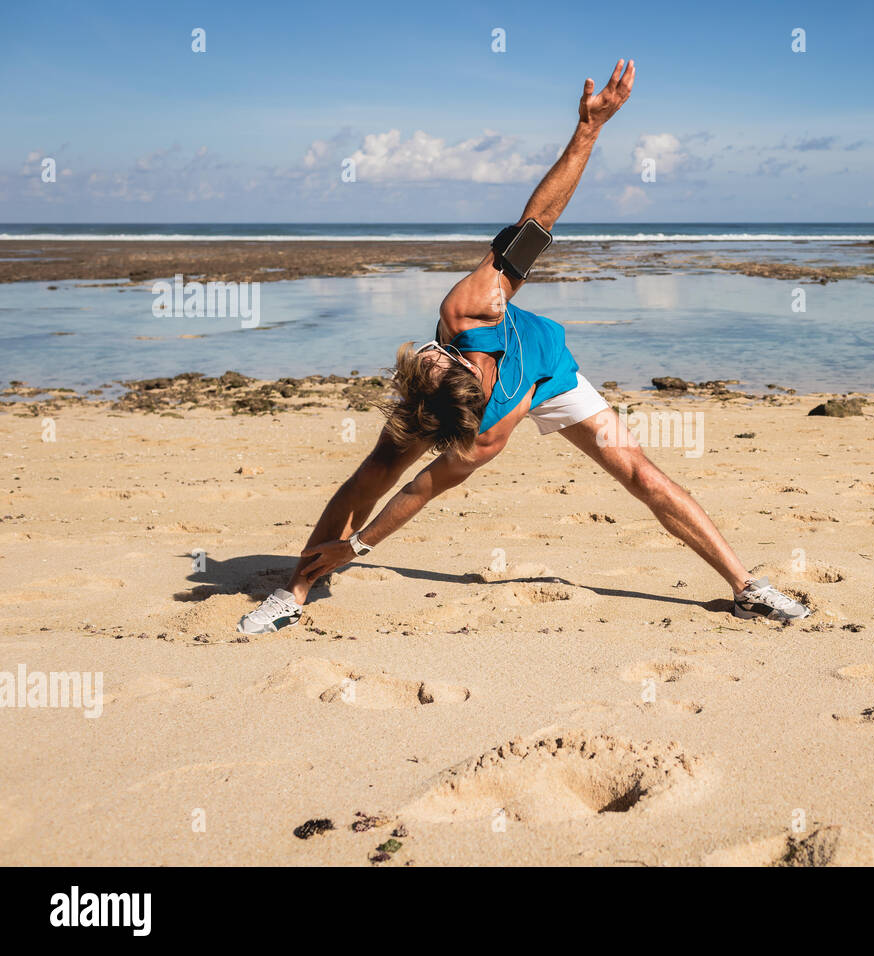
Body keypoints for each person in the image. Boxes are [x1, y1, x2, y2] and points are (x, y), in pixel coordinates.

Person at [237, 59, 810, 634]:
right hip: (492, 399)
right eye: (433, 356)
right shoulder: (470, 410)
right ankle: (296, 591)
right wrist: (352, 546)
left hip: (551, 371)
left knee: (642, 474)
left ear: (467, 361)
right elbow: (415, 492)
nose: (429, 348)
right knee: (374, 472)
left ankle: (746, 589)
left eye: (434, 353)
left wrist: (589, 131)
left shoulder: (475, 308)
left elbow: (538, 220)